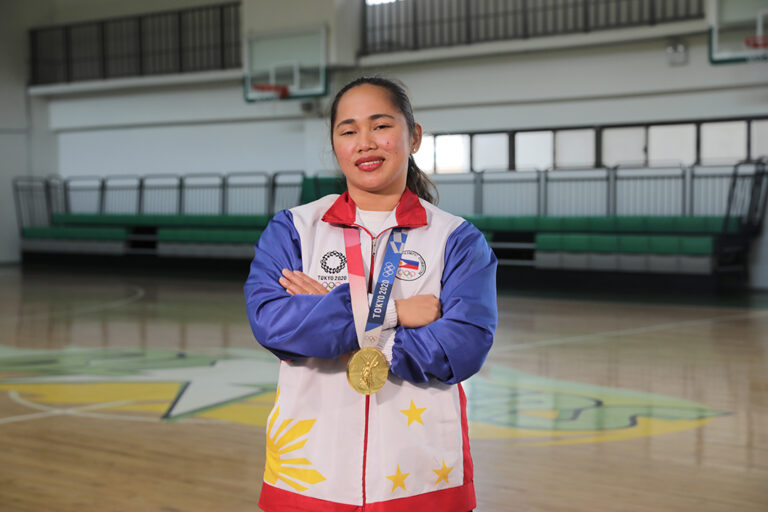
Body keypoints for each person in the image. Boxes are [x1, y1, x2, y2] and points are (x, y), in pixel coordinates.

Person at [244, 76, 497, 512]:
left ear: (413, 136)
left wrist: (327, 314)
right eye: (348, 130)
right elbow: (273, 323)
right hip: (309, 469)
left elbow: (463, 348)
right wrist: (396, 312)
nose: (365, 143)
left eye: (380, 126)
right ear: (334, 143)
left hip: (420, 472)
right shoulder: (294, 229)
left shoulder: (457, 239)